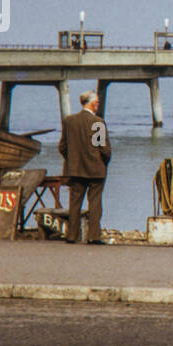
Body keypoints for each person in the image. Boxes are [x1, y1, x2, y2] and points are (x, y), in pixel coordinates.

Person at [58, 90, 111, 244]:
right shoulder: (97, 122)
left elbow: (63, 147)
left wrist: (72, 160)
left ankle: (72, 235)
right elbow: (103, 147)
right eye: (98, 103)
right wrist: (103, 162)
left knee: (74, 203)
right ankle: (93, 236)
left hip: (75, 169)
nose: (98, 105)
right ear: (93, 104)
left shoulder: (69, 121)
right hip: (96, 169)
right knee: (95, 203)